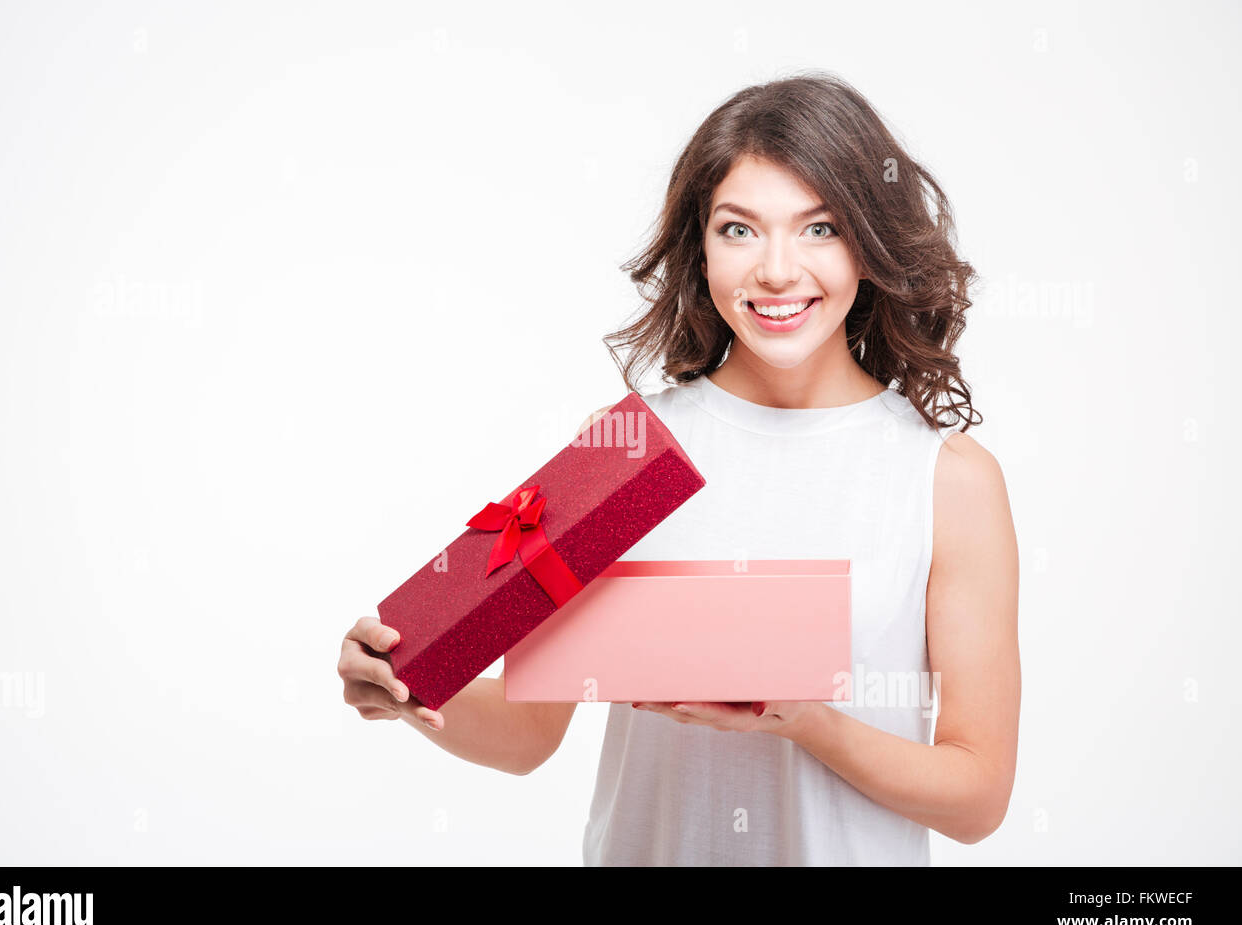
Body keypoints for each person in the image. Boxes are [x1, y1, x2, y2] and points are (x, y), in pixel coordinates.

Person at [338, 71, 1020, 866]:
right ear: (700, 246)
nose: (775, 271)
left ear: (868, 244)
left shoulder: (944, 477)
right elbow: (530, 736)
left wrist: (807, 720)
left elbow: (976, 796)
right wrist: (410, 688)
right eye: (739, 230)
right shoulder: (623, 450)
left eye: (819, 229)